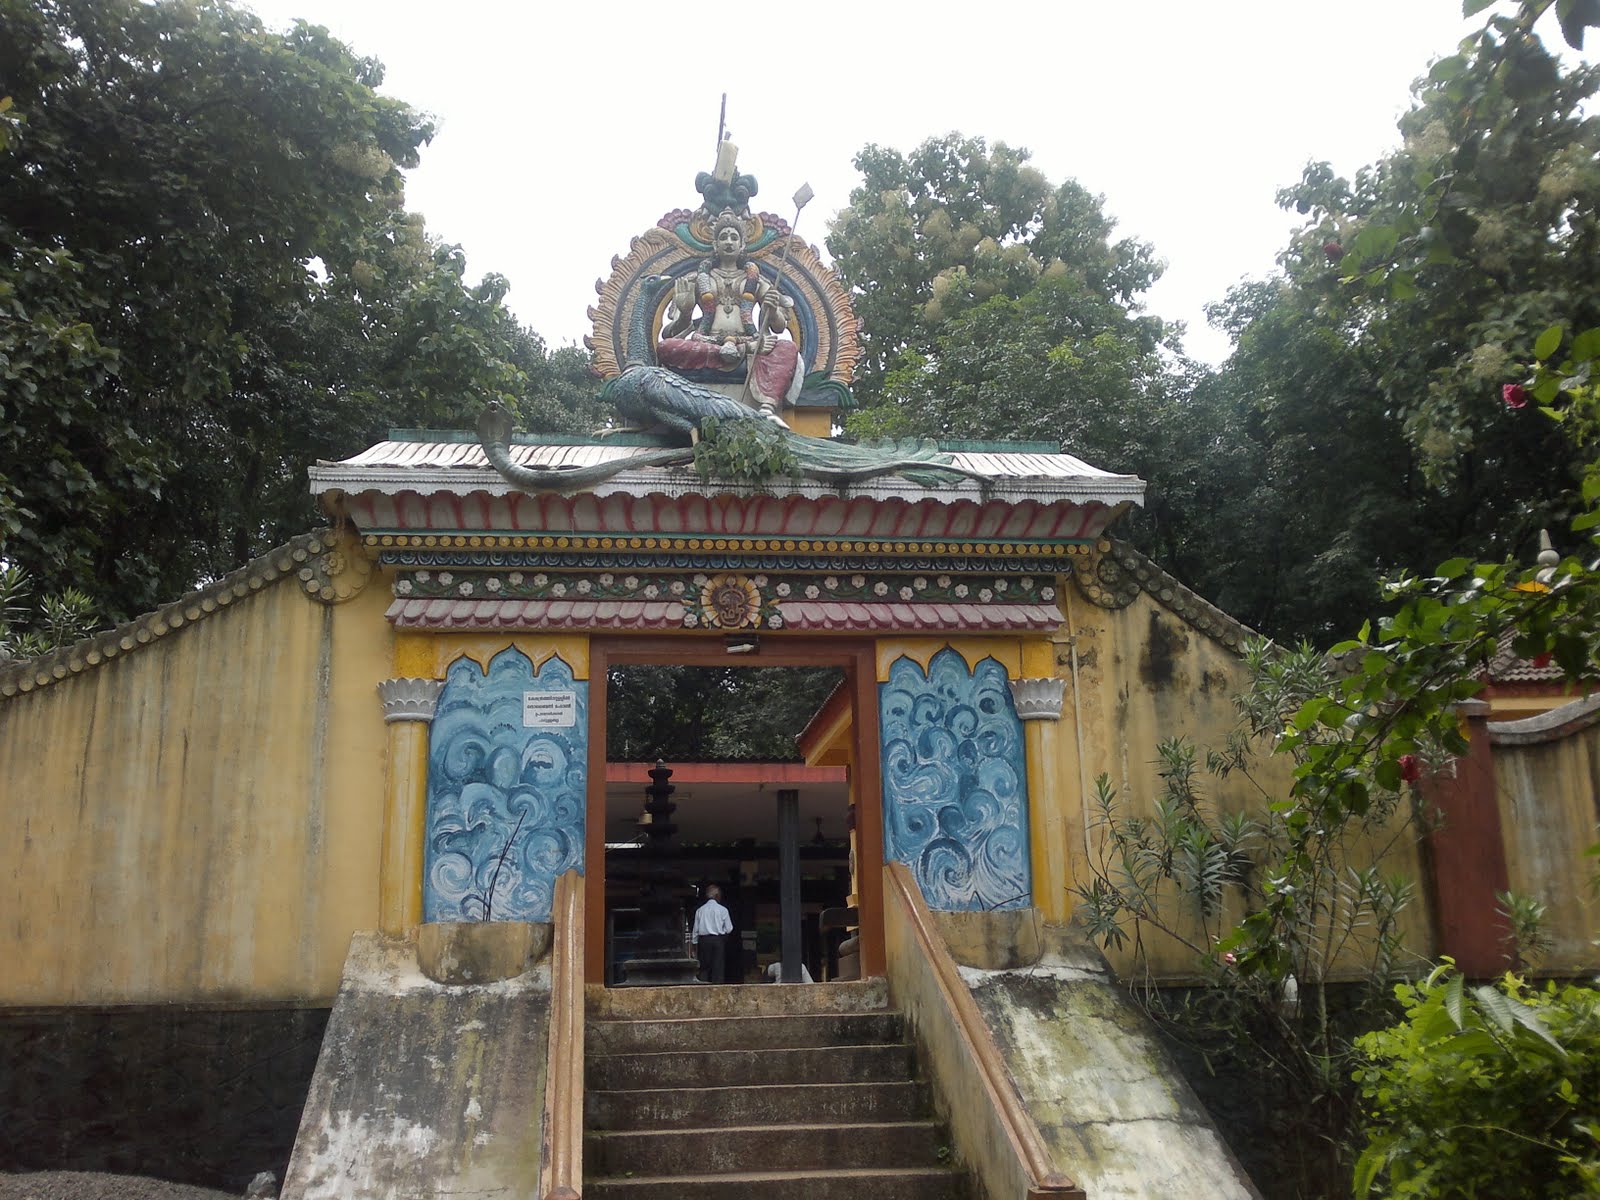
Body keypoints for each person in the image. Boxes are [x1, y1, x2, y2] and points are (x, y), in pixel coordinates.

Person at [656, 209, 800, 420]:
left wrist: (771, 309)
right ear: (715, 245)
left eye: (734, 237)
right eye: (723, 237)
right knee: (665, 348)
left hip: (750, 340)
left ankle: (768, 407)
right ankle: (735, 351)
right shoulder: (699, 279)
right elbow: (671, 333)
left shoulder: (755, 281)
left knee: (787, 348)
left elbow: (778, 326)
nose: (729, 242)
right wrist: (686, 312)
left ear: (742, 245)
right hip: (708, 341)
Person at [690, 883, 733, 983]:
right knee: (718, 968)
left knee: (704, 967)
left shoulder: (700, 910)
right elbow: (729, 928)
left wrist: (694, 944)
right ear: (717, 896)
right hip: (718, 940)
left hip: (704, 941)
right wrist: (722, 934)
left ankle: (703, 989)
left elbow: (695, 930)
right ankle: (718, 990)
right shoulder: (723, 910)